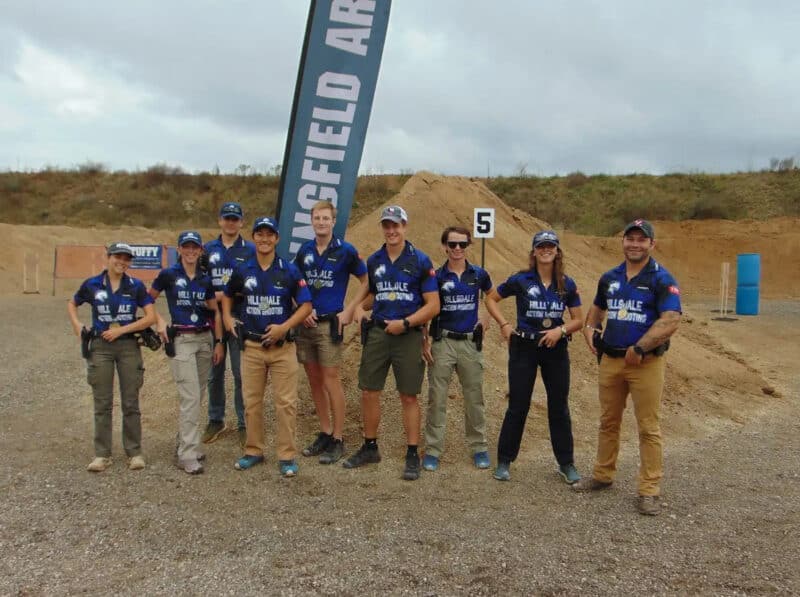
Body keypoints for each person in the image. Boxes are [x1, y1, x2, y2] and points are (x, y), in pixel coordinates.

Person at [573, 219, 681, 516]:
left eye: (641, 240)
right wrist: (590, 330)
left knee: (648, 427)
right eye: (630, 238)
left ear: (651, 244)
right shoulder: (610, 277)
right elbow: (596, 311)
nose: (634, 244)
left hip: (645, 363)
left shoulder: (661, 278)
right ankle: (602, 475)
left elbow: (671, 319)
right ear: (623, 242)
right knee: (608, 421)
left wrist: (640, 347)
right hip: (610, 360)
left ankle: (649, 490)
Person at [343, 205, 440, 481]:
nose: (391, 230)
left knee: (409, 395)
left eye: (396, 225)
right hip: (379, 332)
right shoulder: (375, 260)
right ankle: (370, 446)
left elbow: (433, 305)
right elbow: (375, 294)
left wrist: (408, 323)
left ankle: (412, 453)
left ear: (405, 226)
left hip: (408, 334)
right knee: (368, 391)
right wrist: (360, 308)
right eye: (387, 225)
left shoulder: (420, 260)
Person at [485, 230, 583, 484]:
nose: (546, 250)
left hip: (555, 348)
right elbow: (492, 298)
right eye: (541, 246)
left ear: (557, 251)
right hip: (524, 346)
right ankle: (505, 460)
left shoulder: (566, 283)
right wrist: (504, 324)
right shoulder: (521, 279)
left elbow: (579, 320)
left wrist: (559, 330)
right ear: (534, 251)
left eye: (550, 246)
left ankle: (566, 463)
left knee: (559, 407)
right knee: (518, 404)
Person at [222, 216, 312, 477]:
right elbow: (227, 295)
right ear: (254, 238)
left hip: (282, 348)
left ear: (277, 239)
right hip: (251, 346)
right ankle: (253, 451)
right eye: (259, 234)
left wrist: (285, 326)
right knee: (251, 402)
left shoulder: (289, 270)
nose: (264, 239)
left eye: (269, 234)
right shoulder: (243, 269)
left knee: (286, 403)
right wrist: (227, 318)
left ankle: (286, 456)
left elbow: (306, 305)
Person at [67, 242, 157, 472]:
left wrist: (122, 330)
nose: (122, 262)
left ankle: (134, 452)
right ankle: (102, 454)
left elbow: (150, 318)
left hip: (127, 345)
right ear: (108, 258)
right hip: (100, 346)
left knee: (130, 402)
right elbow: (72, 303)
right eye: (118, 257)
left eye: (127, 259)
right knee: (102, 402)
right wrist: (77, 325)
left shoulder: (136, 286)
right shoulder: (92, 284)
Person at [293, 200, 368, 465]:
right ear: (311, 220)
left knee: (331, 379)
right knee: (313, 379)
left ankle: (338, 437)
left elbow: (366, 280)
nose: (321, 222)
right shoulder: (304, 251)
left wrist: (350, 308)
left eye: (326, 218)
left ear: (333, 222)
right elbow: (293, 282)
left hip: (329, 324)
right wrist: (301, 308)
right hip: (306, 324)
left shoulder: (346, 250)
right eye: (317, 218)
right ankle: (324, 431)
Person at [149, 231, 224, 474]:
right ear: (179, 249)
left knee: (198, 393)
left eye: (195, 247)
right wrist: (160, 323)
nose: (190, 251)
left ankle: (186, 443)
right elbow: (146, 300)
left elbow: (215, 310)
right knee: (190, 397)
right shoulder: (169, 274)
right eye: (186, 247)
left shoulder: (205, 279)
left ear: (200, 250)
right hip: (181, 338)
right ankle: (186, 453)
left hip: (204, 338)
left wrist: (219, 341)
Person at [421, 226, 493, 472]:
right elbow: (427, 307)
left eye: (462, 244)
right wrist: (425, 339)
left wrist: (487, 319)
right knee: (437, 398)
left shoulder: (479, 274)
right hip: (443, 342)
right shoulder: (437, 276)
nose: (457, 249)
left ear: (468, 245)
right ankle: (432, 450)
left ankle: (479, 447)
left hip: (470, 344)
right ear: (445, 247)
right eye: (452, 244)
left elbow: (492, 297)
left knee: (474, 398)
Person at [203, 201, 256, 447]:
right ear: (220, 221)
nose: (231, 222)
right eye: (227, 218)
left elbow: (255, 282)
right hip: (211, 318)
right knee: (214, 372)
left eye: (235, 219)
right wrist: (209, 301)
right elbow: (199, 282)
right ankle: (216, 419)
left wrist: (228, 298)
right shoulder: (207, 249)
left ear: (241, 222)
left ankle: (244, 423)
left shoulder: (250, 250)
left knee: (240, 373)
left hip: (239, 317)